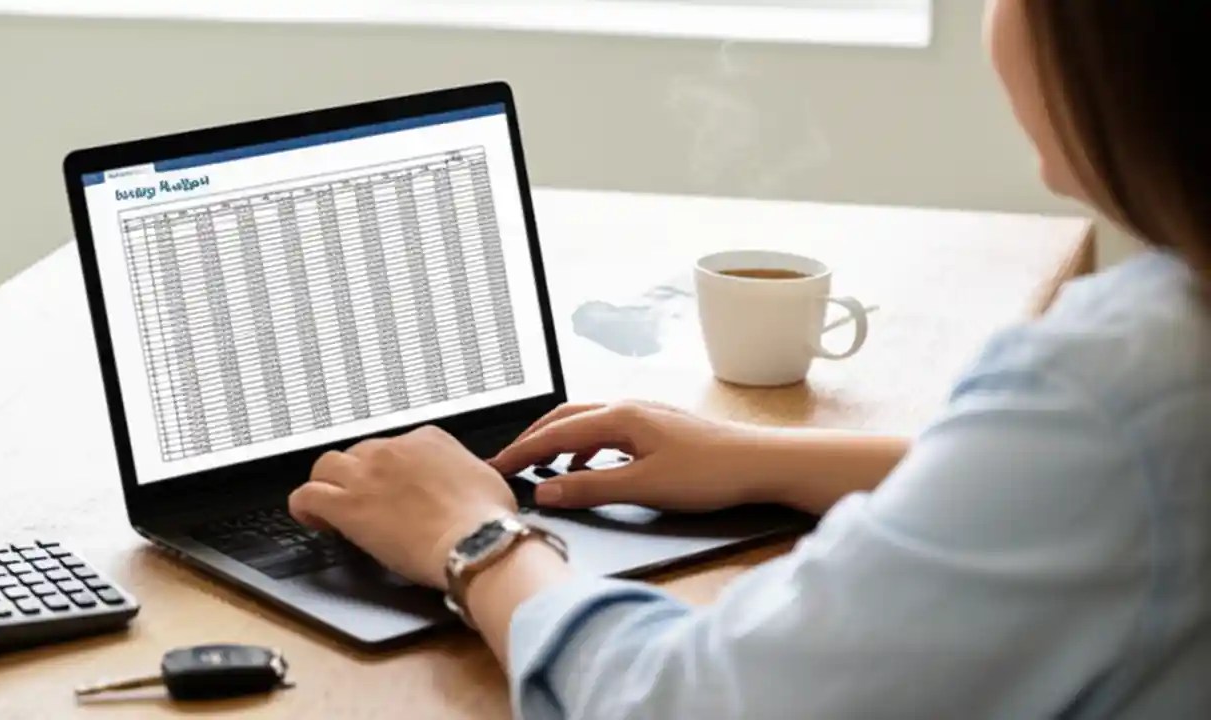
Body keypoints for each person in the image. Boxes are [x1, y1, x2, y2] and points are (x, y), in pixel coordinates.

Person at [287, 1, 1211, 716]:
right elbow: (1075, 490)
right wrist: (762, 457)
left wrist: (475, 539)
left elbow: (684, 700)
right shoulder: (1149, 370)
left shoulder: (1121, 384)